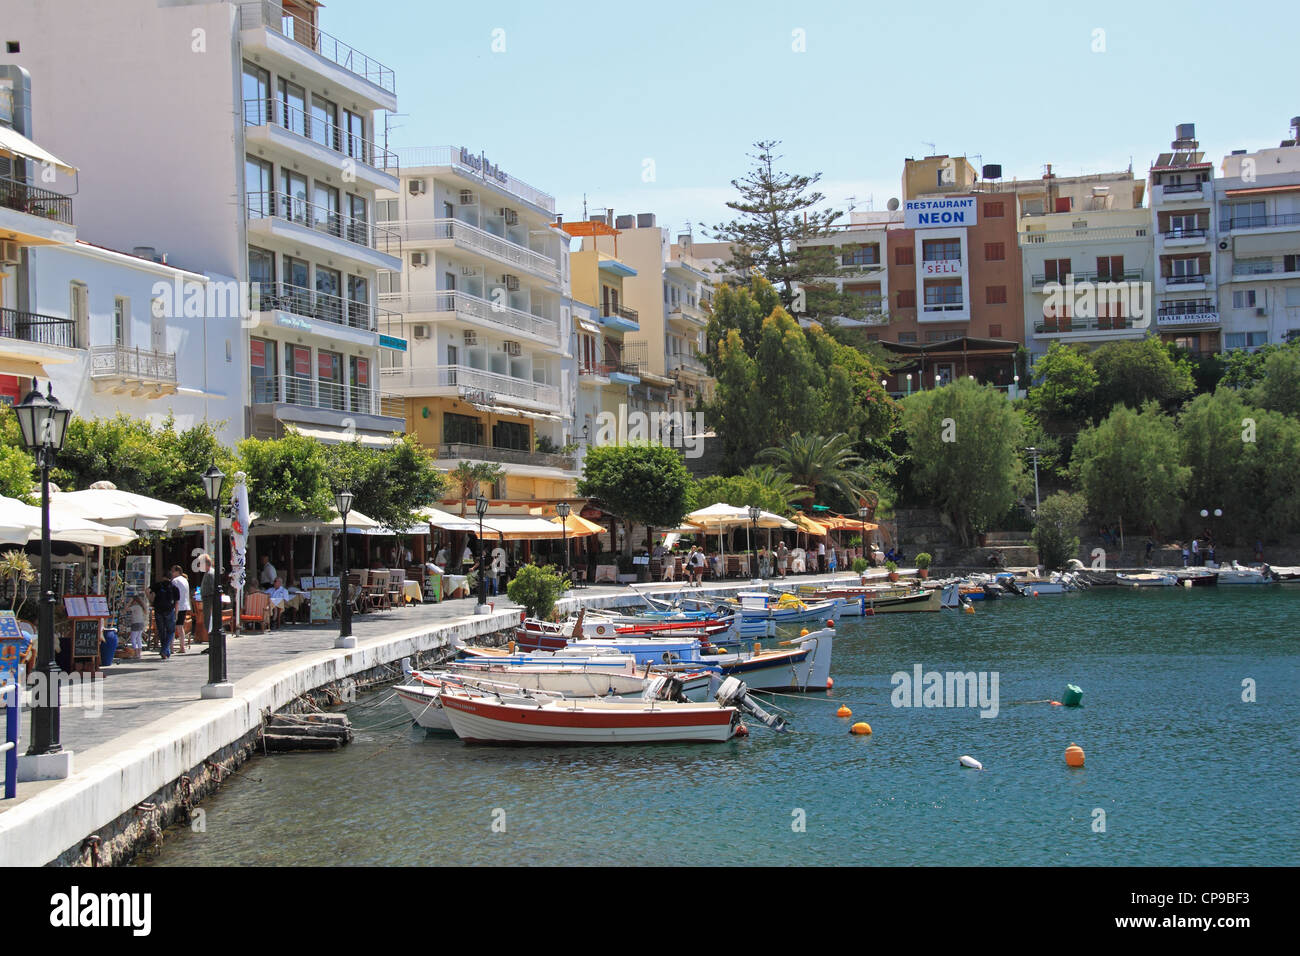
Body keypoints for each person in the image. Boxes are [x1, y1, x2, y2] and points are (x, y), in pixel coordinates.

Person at [149, 574, 180, 660]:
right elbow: (177, 602)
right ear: (171, 578)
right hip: (169, 610)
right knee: (170, 631)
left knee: (161, 631)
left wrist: (151, 600)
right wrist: (176, 614)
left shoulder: (158, 585)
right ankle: (165, 649)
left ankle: (166, 651)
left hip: (158, 610)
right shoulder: (174, 588)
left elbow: (147, 590)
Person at [170, 565, 191, 654]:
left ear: (177, 571)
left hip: (177, 606)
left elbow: (173, 594)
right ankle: (182, 647)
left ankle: (171, 648)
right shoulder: (185, 580)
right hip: (184, 605)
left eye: (173, 571)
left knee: (172, 627)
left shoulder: (175, 581)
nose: (171, 573)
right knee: (180, 626)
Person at [127, 592, 148, 658]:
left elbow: (126, 609)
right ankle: (139, 653)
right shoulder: (141, 607)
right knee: (138, 638)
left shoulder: (135, 607)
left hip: (135, 623)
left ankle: (136, 653)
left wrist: (129, 602)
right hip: (141, 623)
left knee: (133, 638)